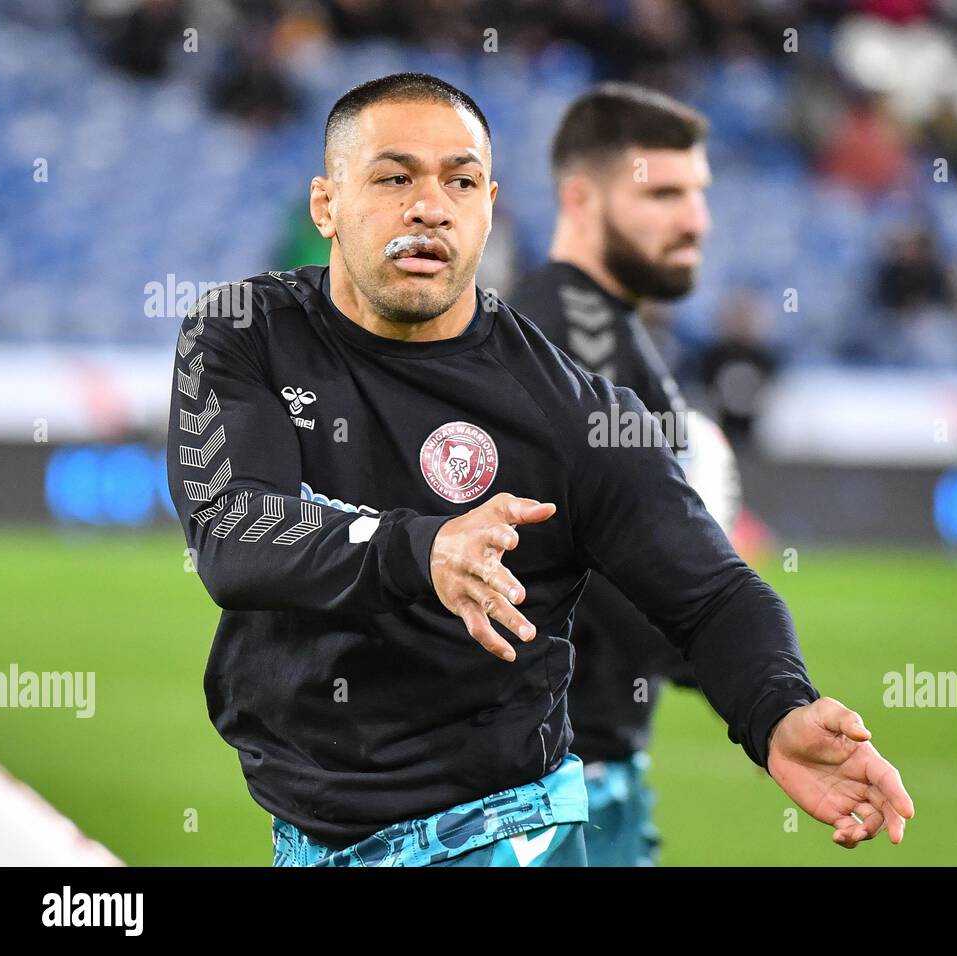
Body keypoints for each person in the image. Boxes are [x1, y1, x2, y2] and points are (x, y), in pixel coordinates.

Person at [165, 72, 913, 867]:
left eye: (459, 181)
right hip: (310, 838)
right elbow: (233, 528)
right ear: (325, 205)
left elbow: (713, 594)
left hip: (500, 834)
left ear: (489, 206)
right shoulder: (246, 331)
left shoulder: (574, 409)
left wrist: (778, 708)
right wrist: (423, 550)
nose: (429, 206)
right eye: (393, 178)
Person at [508, 83, 720, 866]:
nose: (694, 219)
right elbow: (617, 559)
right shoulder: (572, 338)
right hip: (551, 789)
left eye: (697, 193)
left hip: (592, 768)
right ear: (580, 199)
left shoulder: (602, 326)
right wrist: (745, 672)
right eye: (663, 193)